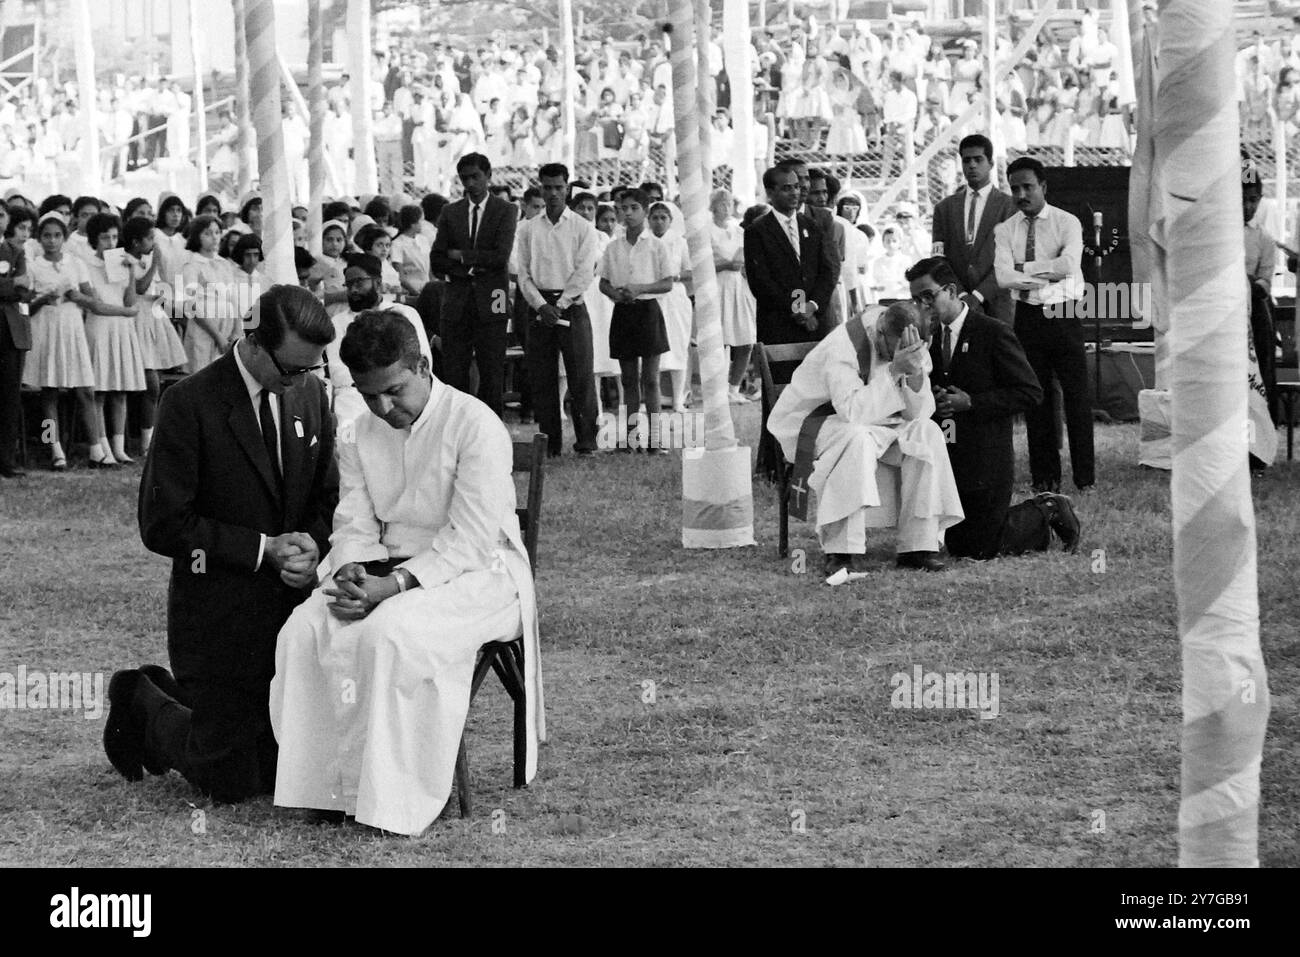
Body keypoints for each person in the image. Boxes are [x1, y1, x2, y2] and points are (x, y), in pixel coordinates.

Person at [269, 309, 541, 835]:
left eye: (393, 390)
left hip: (481, 574)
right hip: (382, 567)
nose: (383, 407)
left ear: (422, 365)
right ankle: (327, 790)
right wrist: (351, 573)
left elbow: (470, 537)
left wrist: (392, 587)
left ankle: (392, 802)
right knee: (304, 629)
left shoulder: (475, 424)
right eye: (369, 395)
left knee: (393, 632)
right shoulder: (358, 431)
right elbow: (353, 517)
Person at [105, 285, 339, 804]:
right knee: (233, 782)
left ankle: (177, 698)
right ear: (254, 343)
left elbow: (327, 496)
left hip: (292, 618)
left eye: (313, 369)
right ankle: (141, 701)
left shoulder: (308, 393)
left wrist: (311, 547)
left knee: (286, 774)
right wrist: (261, 549)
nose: (301, 380)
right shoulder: (189, 402)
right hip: (218, 621)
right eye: (292, 369)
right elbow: (163, 524)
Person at [767, 301, 964, 580]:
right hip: (815, 420)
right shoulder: (844, 345)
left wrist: (916, 373)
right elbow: (852, 412)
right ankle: (843, 551)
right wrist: (894, 371)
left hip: (876, 417)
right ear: (880, 332)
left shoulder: (911, 342)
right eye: (890, 351)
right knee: (856, 438)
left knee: (928, 432)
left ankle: (918, 546)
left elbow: (918, 412)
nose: (891, 356)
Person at [907, 256, 1078, 558]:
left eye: (927, 297)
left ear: (949, 290)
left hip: (987, 458)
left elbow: (1030, 392)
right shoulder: (925, 340)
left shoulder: (993, 332)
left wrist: (972, 402)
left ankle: (1047, 508)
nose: (923, 306)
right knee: (956, 544)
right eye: (915, 300)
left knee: (981, 549)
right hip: (946, 457)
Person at [994, 156, 1092, 493]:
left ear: (1043, 187)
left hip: (1064, 312)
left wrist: (1026, 268)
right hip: (1028, 318)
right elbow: (1004, 277)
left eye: (1028, 186)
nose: (1022, 194)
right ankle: (1045, 478)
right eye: (1015, 188)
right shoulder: (1005, 230)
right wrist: (1038, 272)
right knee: (1037, 399)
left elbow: (1068, 265)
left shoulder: (1068, 223)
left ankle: (1084, 477)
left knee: (1077, 398)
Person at [516, 162, 601, 457]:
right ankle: (550, 443)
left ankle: (587, 441)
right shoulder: (527, 229)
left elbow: (584, 272)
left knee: (581, 377)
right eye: (547, 187)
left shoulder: (582, 227)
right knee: (542, 378)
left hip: (572, 307)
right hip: (538, 308)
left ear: (567, 188)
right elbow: (523, 275)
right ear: (540, 187)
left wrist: (561, 304)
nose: (552, 193)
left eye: (558, 187)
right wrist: (541, 306)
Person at [430, 152, 518, 417]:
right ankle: (457, 431)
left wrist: (462, 257)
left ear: (489, 176)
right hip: (456, 301)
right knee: (455, 372)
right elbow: (437, 259)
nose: (470, 183)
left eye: (475, 177)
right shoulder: (450, 211)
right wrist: (474, 265)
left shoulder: (507, 210)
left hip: (495, 296)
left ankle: (492, 435)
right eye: (464, 178)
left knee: (492, 370)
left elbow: (500, 257)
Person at [598, 187, 673, 452]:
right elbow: (603, 282)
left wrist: (641, 288)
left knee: (650, 379)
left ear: (644, 210)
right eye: (623, 208)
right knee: (628, 379)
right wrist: (614, 294)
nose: (627, 214)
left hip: (648, 310)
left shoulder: (656, 246)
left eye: (633, 208)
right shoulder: (613, 247)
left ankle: (655, 439)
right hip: (623, 312)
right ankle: (631, 437)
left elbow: (667, 283)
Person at [325, 253, 431, 427]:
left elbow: (422, 358)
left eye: (359, 282)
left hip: (400, 391)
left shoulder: (404, 313)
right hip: (353, 396)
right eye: (349, 284)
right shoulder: (338, 321)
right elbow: (338, 374)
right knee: (347, 439)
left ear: (378, 283)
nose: (353, 290)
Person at [81, 212, 147, 465]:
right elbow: (96, 304)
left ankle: (119, 448)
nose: (110, 242)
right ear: (94, 240)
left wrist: (131, 274)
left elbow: (130, 300)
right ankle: (102, 446)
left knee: (120, 390)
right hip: (99, 327)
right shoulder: (86, 264)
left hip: (121, 330)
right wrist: (124, 312)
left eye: (114, 237)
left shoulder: (122, 262)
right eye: (105, 238)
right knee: (99, 391)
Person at [745, 166, 837, 346]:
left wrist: (812, 306)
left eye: (797, 187)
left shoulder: (812, 226)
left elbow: (827, 272)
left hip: (816, 323)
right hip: (780, 325)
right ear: (770, 192)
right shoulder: (757, 231)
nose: (795, 193)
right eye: (787, 188)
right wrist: (798, 309)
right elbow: (761, 281)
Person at [931, 134, 1017, 324]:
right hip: (956, 305)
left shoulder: (1010, 207)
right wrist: (960, 294)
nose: (972, 165)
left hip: (997, 304)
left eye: (978, 159)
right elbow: (938, 259)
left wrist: (978, 295)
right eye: (966, 160)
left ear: (991, 163)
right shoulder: (943, 208)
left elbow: (1011, 260)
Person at [122, 216, 187, 457]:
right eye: (149, 238)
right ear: (136, 241)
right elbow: (139, 287)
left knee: (154, 383)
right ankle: (136, 439)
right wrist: (155, 264)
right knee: (144, 382)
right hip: (136, 318)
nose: (153, 243)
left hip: (153, 316)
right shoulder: (126, 260)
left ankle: (148, 439)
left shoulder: (149, 260)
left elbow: (158, 287)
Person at [710, 188, 757, 405]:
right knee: (719, 342)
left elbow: (747, 257)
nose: (726, 208)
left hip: (738, 286)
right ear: (713, 206)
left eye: (729, 203)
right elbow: (704, 262)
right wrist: (727, 263)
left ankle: (734, 388)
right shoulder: (707, 231)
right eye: (722, 203)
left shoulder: (739, 230)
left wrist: (739, 262)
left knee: (745, 339)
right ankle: (717, 389)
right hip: (718, 287)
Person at [647, 202, 693, 412]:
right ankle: (650, 399)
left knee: (678, 344)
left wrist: (673, 276)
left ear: (670, 220)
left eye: (663, 218)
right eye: (655, 217)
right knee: (652, 347)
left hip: (675, 296)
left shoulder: (679, 242)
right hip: (650, 295)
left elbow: (690, 271)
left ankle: (678, 400)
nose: (658, 222)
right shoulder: (643, 241)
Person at [181, 214, 240, 374]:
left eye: (217, 232)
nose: (214, 237)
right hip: (205, 329)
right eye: (207, 233)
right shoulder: (191, 265)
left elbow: (233, 299)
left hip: (226, 327)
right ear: (197, 236)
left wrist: (236, 331)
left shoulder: (225, 264)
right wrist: (218, 336)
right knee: (203, 376)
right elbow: (191, 305)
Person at [0, 201, 32, 478]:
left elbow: (25, 289)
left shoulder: (16, 251)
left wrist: (12, 287)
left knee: (9, 396)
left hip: (11, 330)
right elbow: (17, 285)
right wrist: (11, 285)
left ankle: (6, 460)